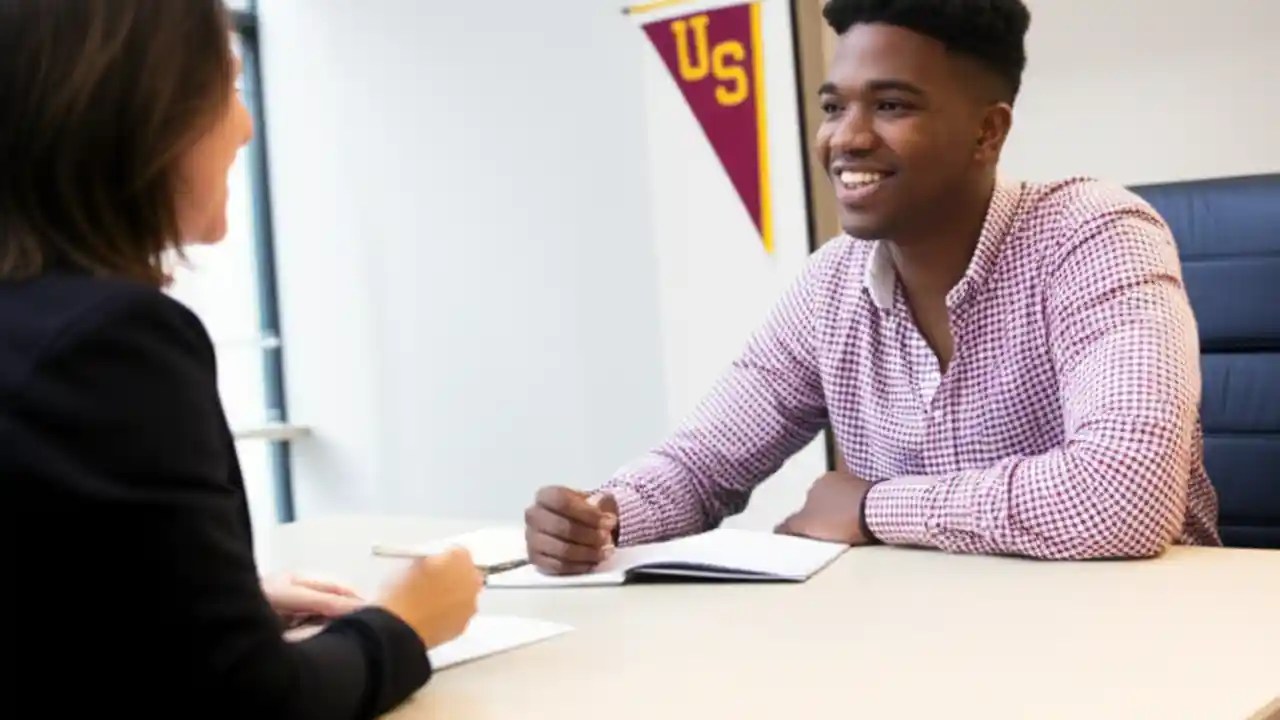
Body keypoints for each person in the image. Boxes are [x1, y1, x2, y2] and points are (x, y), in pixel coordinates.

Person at [524, 0, 1222, 571]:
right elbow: (706, 462)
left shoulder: (1094, 235)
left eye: (890, 106)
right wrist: (605, 516)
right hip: (922, 646)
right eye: (834, 108)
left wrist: (869, 507)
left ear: (987, 133)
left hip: (1138, 647)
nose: (846, 139)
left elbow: (1123, 495)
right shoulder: (833, 283)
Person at [1, 2, 482, 718]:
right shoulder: (109, 343)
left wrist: (206, 605)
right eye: (227, 87)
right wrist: (407, 621)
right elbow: (254, 702)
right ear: (146, 109)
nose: (247, 126)